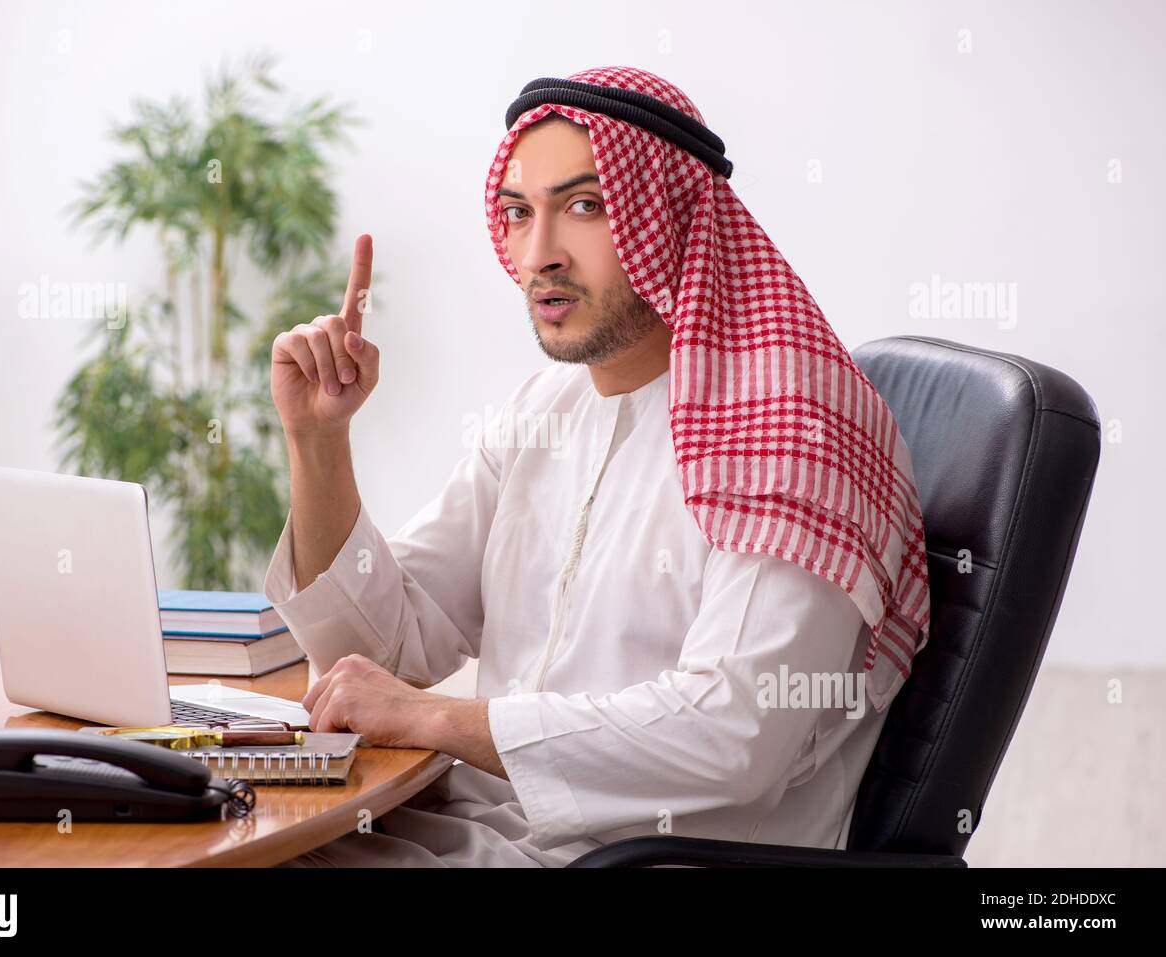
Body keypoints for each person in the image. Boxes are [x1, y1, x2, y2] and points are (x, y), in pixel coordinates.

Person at [264, 67, 930, 867]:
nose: (539, 253)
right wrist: (317, 441)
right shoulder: (545, 410)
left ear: (672, 217)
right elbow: (388, 651)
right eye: (519, 213)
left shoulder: (790, 427)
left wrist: (434, 719)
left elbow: (732, 736)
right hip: (477, 828)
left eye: (586, 206)